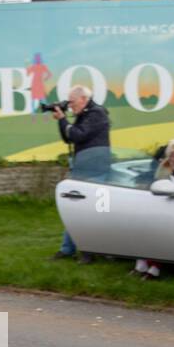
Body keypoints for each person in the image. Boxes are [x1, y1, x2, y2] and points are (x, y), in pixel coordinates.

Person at [50, 85, 110, 264]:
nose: (70, 105)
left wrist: (63, 119)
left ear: (84, 99)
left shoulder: (96, 114)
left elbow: (77, 135)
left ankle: (89, 251)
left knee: (91, 213)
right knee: (74, 209)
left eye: (72, 102)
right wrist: (62, 121)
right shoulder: (84, 114)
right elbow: (68, 138)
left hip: (95, 169)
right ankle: (68, 249)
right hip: (83, 168)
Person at [134, 138, 174, 280]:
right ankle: (141, 264)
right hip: (166, 208)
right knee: (140, 223)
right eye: (173, 155)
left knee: (158, 229)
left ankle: (154, 269)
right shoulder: (164, 172)